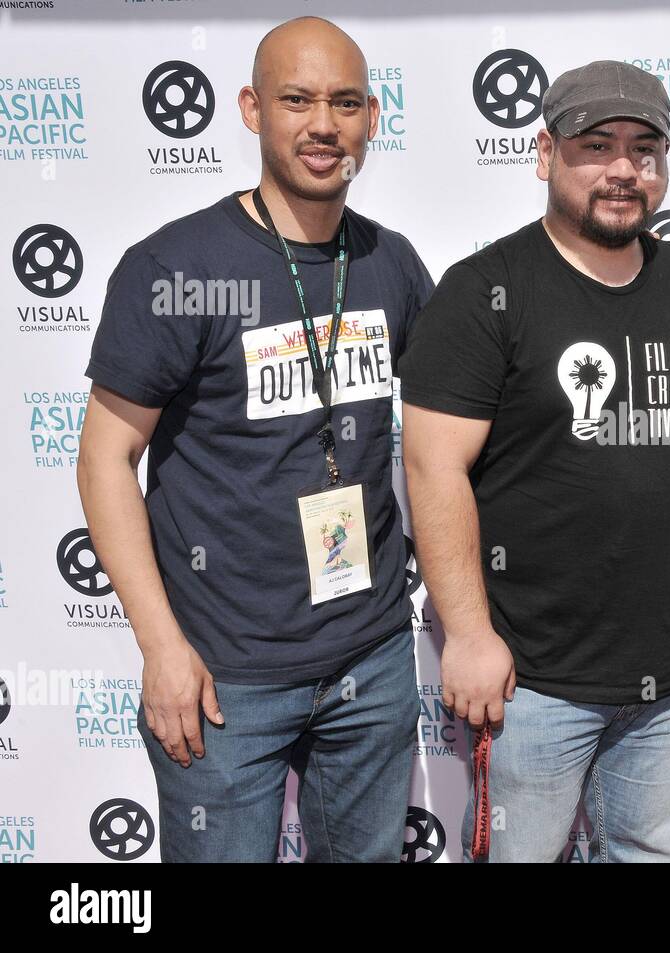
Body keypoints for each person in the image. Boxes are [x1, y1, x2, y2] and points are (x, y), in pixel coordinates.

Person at [77, 17, 432, 862]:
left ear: (373, 118)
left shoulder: (391, 262)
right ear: (250, 108)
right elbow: (103, 458)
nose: (324, 125)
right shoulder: (176, 268)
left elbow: (450, 440)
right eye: (297, 99)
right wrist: (161, 646)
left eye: (345, 103)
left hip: (374, 662)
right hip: (221, 677)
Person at [398, 60, 670, 863]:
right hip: (532, 681)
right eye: (597, 146)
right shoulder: (486, 290)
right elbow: (433, 468)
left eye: (643, 148)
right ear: (545, 152)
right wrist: (471, 633)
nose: (623, 169)